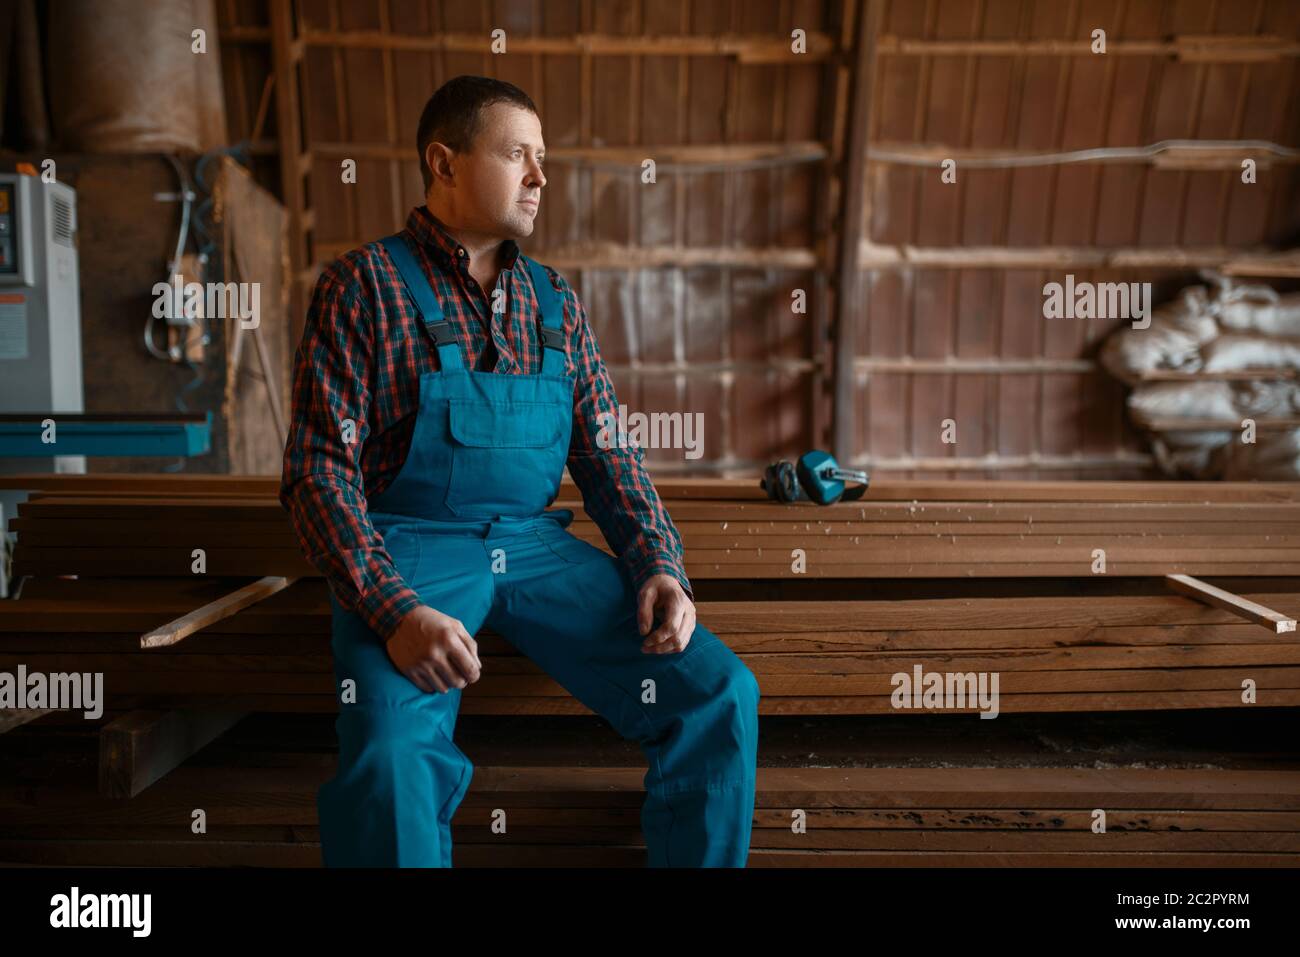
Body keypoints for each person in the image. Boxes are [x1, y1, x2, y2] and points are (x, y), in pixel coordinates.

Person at [279, 75, 760, 867]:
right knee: (393, 752)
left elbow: (607, 451)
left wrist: (658, 564)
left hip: (535, 548)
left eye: (543, 159)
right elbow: (317, 475)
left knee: (719, 694)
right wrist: (393, 610)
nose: (540, 177)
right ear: (444, 162)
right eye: (516, 155)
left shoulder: (555, 303)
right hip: (410, 549)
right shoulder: (360, 287)